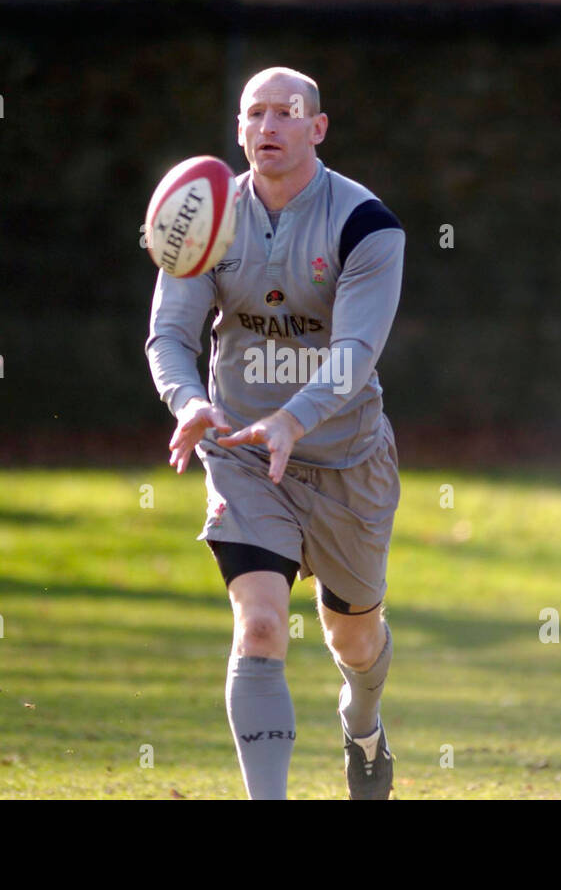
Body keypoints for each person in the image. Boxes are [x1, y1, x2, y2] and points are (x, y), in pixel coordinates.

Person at [147, 67, 405, 799]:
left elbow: (355, 353)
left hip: (347, 458)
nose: (268, 126)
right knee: (260, 628)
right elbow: (169, 334)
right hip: (243, 455)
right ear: (238, 129)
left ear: (316, 128)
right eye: (253, 113)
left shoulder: (365, 224)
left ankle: (363, 725)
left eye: (286, 114)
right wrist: (189, 403)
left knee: (352, 638)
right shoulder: (203, 215)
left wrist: (293, 419)